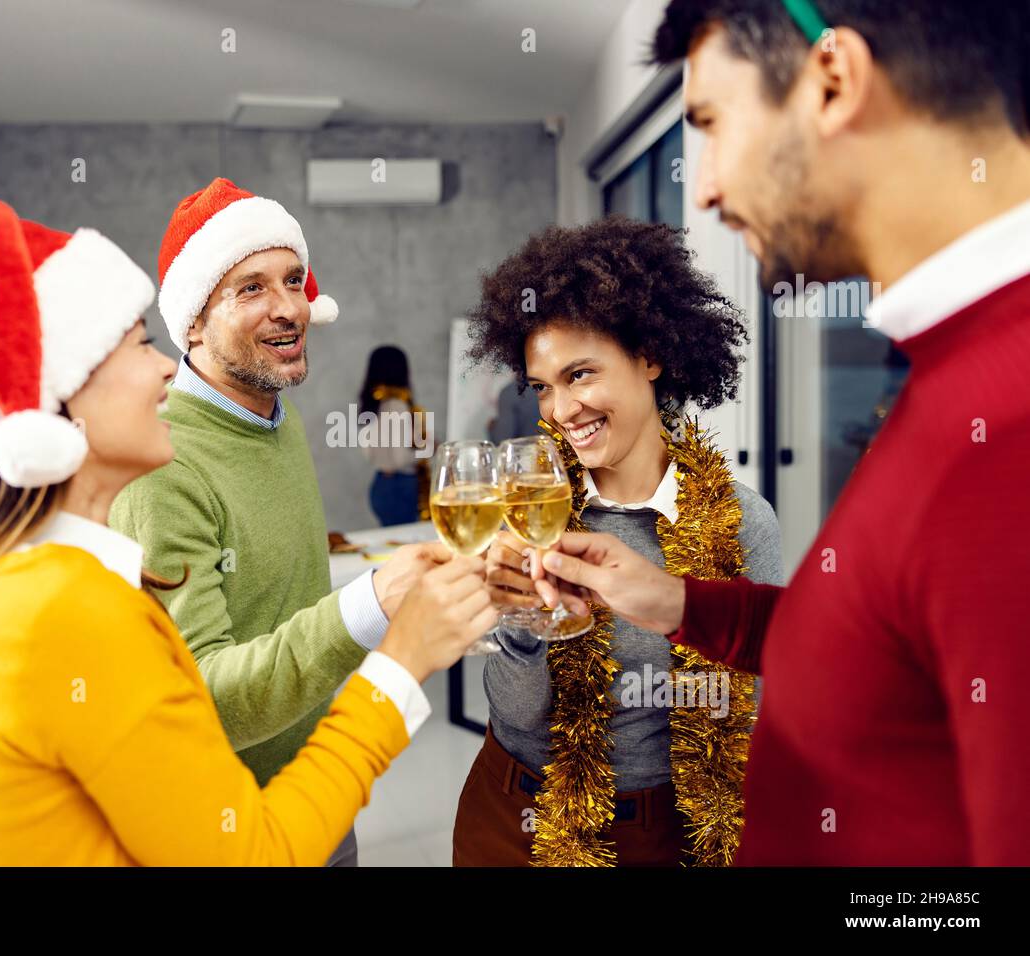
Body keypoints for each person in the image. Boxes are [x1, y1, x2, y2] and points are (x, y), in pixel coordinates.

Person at [0, 185, 496, 866]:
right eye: (140, 345)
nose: (165, 367)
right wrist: (402, 661)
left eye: (293, 280)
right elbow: (250, 848)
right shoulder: (60, 610)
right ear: (68, 395)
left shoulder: (47, 584)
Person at [531, 0, 1030, 865]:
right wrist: (678, 601)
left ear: (835, 82)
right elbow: (893, 652)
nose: (710, 187)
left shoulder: (1007, 423)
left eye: (714, 126)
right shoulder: (956, 369)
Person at [109, 179, 443, 866]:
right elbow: (203, 700)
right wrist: (370, 605)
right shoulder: (164, 463)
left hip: (315, 785)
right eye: (251, 288)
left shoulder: (272, 414)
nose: (289, 306)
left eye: (293, 279)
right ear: (193, 323)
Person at [454, 216, 782, 867]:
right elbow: (518, 719)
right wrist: (522, 617)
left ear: (650, 355)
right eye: (542, 387)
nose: (559, 410)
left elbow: (762, 704)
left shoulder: (743, 521)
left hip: (666, 835)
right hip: (516, 819)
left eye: (580, 375)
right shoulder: (529, 508)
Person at [358, 344, 430, 526]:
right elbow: (400, 459)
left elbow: (368, 453)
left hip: (381, 483)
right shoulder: (398, 406)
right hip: (401, 487)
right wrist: (427, 448)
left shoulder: (373, 405)